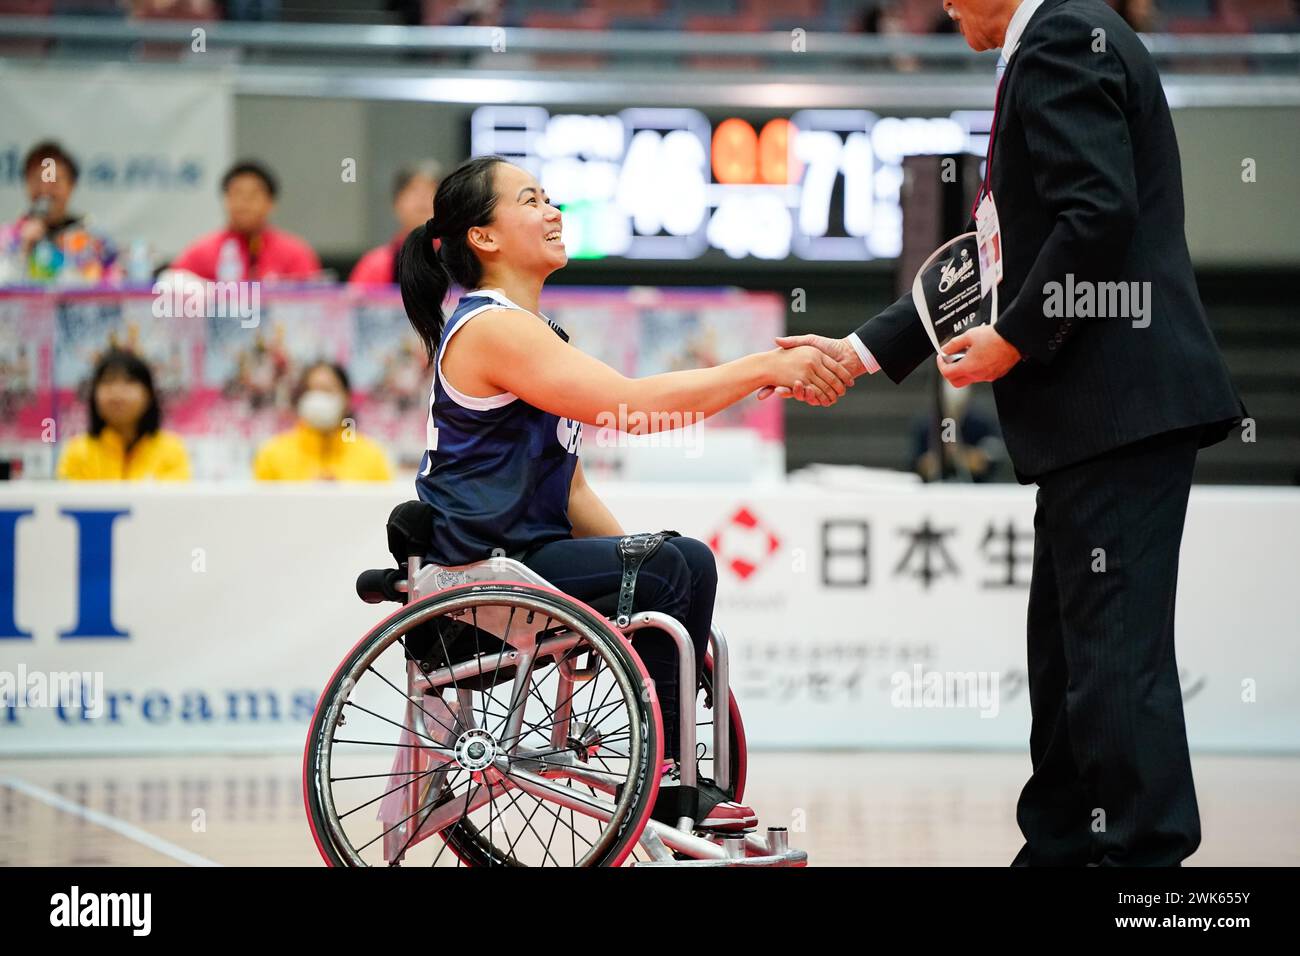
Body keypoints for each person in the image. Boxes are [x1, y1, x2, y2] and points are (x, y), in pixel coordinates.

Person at [773, 0, 1245, 865]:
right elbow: (982, 263)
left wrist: (1018, 335)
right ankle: (1060, 850)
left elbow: (1097, 214)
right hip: (1094, 425)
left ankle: (1144, 866)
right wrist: (858, 350)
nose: (944, 4)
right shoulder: (1050, 46)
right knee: (1069, 664)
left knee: (1112, 663)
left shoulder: (1066, 36)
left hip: (1117, 411)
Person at [397, 154, 852, 832]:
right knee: (678, 563)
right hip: (485, 566)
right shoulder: (491, 326)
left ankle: (673, 771)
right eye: (531, 200)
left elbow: (572, 485)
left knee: (674, 564)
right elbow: (633, 406)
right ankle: (666, 775)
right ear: (484, 237)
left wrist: (626, 578)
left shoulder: (527, 329)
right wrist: (763, 363)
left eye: (551, 198)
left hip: (526, 558)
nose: (553, 211)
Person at [169, 161, 320, 282]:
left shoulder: (295, 254)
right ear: (225, 200)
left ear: (271, 203)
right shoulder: (200, 253)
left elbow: (313, 305)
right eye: (237, 193)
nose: (244, 203)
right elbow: (170, 289)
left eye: (253, 195)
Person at [57, 349, 191, 481]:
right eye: (108, 382)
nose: (117, 393)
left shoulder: (171, 450)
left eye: (129, 382)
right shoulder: (78, 452)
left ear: (149, 394)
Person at [0, 141, 119, 287]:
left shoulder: (95, 242)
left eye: (54, 181)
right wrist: (24, 250)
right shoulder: (7, 237)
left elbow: (112, 290)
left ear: (71, 185)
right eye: (38, 180)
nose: (45, 190)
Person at [252, 362, 393, 481]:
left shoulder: (371, 457)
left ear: (347, 398)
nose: (318, 398)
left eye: (326, 390)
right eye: (311, 390)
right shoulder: (272, 455)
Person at [349, 162, 441, 286]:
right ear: (396, 203)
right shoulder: (374, 265)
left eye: (431, 190)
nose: (422, 198)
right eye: (414, 190)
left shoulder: (462, 263)